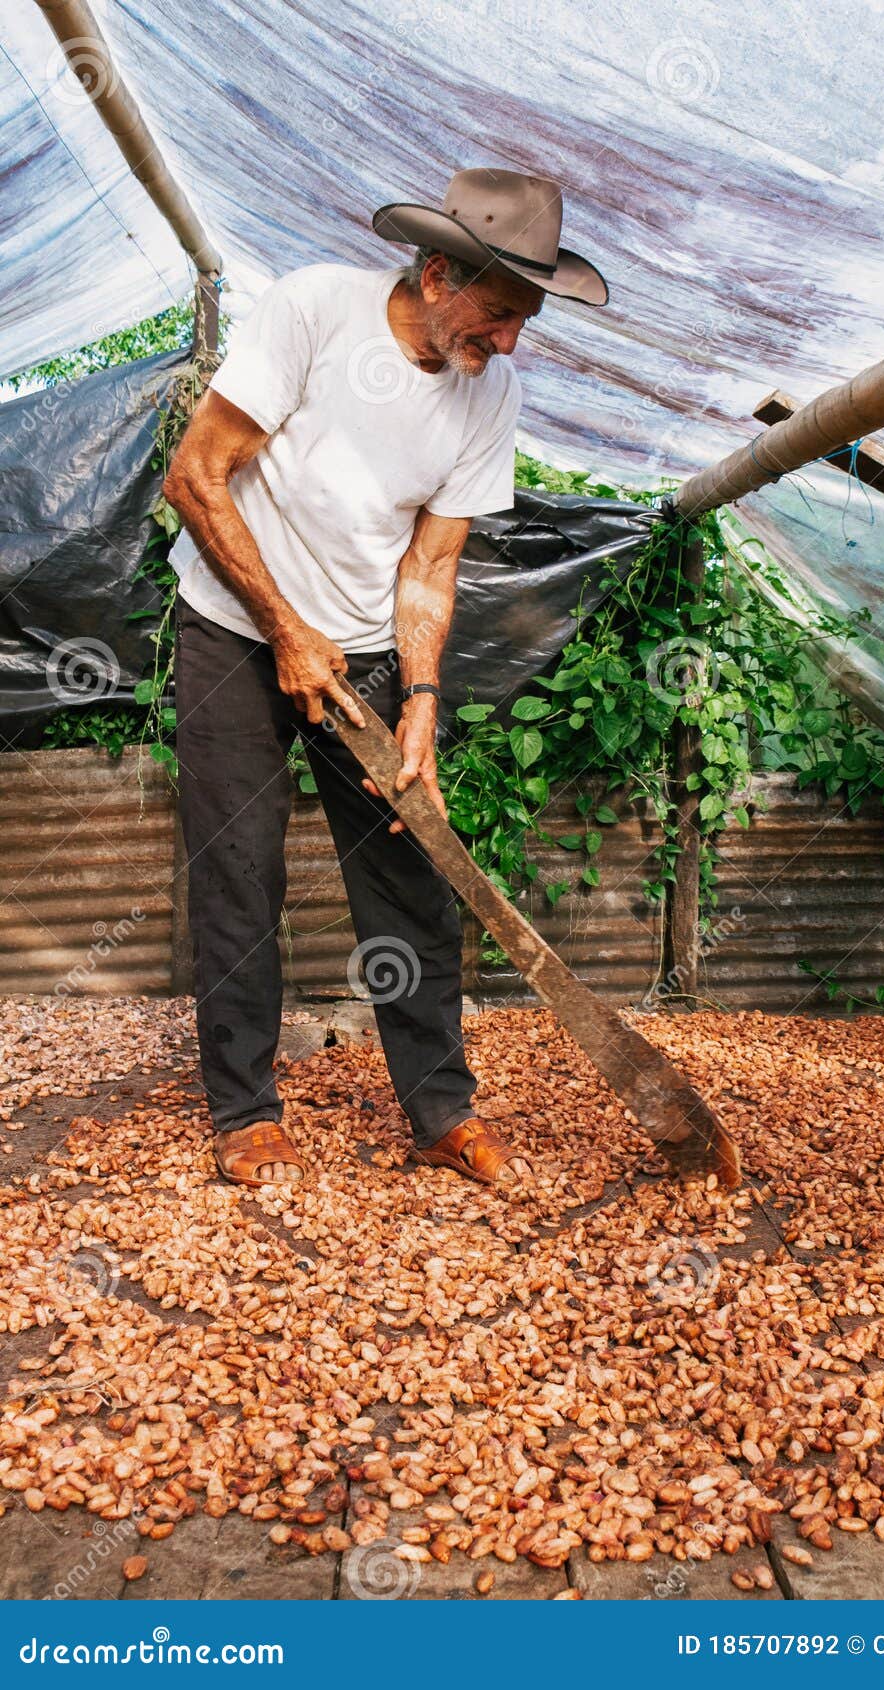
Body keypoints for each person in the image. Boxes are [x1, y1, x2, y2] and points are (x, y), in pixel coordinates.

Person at [163, 167, 608, 1192]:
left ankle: (440, 1111)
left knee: (411, 865)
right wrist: (284, 629)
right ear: (438, 272)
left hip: (361, 651)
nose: (509, 343)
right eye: (499, 314)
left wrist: (418, 703)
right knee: (238, 871)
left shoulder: (490, 393)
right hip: (233, 627)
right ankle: (245, 1110)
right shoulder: (314, 310)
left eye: (524, 322)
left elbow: (429, 566)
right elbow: (196, 473)